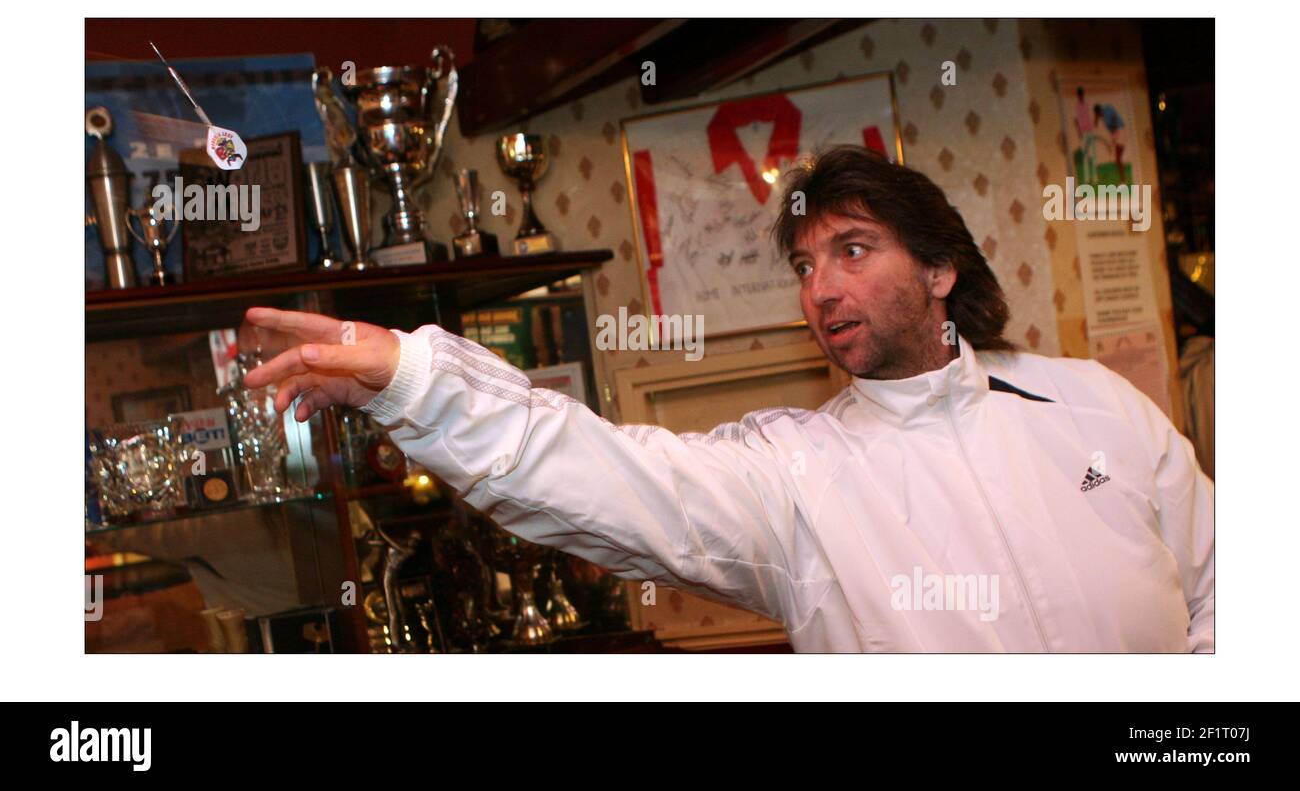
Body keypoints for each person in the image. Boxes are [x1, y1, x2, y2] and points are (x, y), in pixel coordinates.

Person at [242, 145, 1212, 653]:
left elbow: (1222, 592)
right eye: (804, 263)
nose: (821, 287)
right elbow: (591, 473)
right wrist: (410, 377)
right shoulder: (796, 473)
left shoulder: (1093, 405)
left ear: (941, 265)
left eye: (853, 249)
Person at [1093, 102, 1128, 184]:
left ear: (1099, 111)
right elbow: (1096, 124)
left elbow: (1114, 119)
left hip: (1120, 131)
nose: (1099, 116)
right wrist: (1097, 117)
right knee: (1115, 157)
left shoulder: (1107, 109)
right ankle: (1122, 174)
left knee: (1118, 158)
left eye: (1098, 114)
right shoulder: (1102, 117)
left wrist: (1114, 135)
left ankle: (1123, 180)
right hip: (1116, 134)